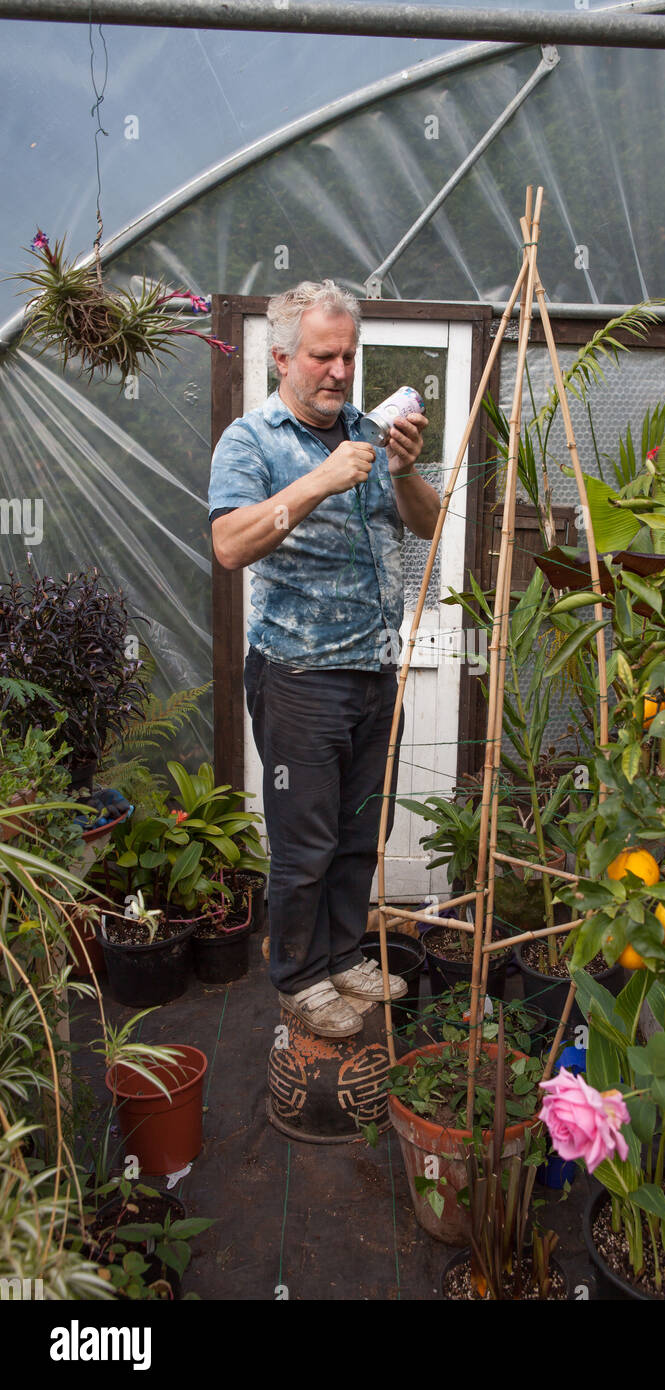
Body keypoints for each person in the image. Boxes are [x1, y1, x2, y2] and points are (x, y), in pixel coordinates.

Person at [208, 280, 439, 1037]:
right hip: (300, 679)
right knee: (304, 845)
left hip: (377, 672)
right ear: (282, 356)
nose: (340, 370)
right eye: (322, 355)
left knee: (357, 832)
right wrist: (321, 479)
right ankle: (298, 977)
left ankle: (343, 955)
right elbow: (230, 543)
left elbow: (431, 527)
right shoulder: (252, 440)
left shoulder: (372, 433)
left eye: (349, 354)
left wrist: (403, 470)